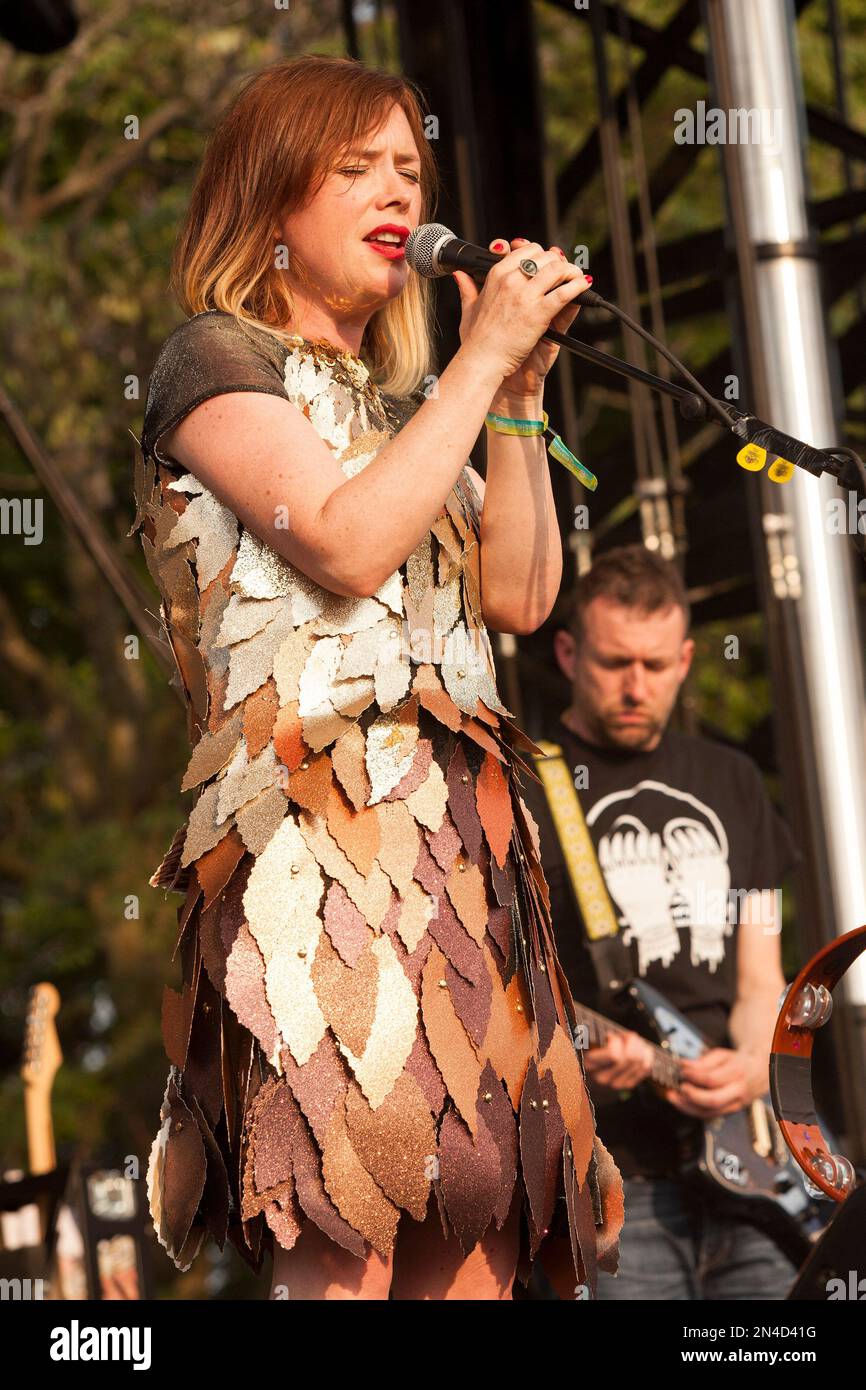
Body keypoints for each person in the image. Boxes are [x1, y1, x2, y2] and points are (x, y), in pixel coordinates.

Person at [133, 53, 623, 1301]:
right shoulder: (210, 364)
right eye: (353, 168)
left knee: (485, 1235)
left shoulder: (421, 411)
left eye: (407, 166)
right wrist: (472, 373)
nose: (394, 189)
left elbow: (519, 594)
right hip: (317, 865)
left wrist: (512, 390)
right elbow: (346, 541)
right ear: (271, 199)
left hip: (461, 876)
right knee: (351, 1241)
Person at [517, 545, 802, 1300]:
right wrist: (593, 1052)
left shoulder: (731, 780)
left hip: (757, 1162)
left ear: (684, 658)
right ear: (570, 653)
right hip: (615, 1178)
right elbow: (501, 988)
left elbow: (761, 977)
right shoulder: (523, 790)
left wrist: (755, 1064)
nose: (636, 686)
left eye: (654, 663)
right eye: (614, 663)